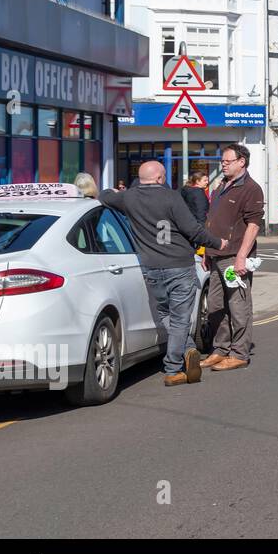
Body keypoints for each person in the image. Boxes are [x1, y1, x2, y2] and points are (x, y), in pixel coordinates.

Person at [100, 160, 226, 387]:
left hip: (151, 267)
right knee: (180, 319)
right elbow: (192, 229)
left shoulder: (128, 198)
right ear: (160, 178)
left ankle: (187, 349)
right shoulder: (171, 197)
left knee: (165, 313)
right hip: (179, 264)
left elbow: (104, 197)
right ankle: (173, 368)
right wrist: (219, 242)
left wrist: (108, 190)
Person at [201, 143, 265, 372]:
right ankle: (220, 349)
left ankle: (239, 353)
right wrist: (207, 252)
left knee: (238, 306)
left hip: (234, 258)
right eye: (223, 161)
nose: (223, 164)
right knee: (215, 307)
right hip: (216, 255)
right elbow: (213, 221)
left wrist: (241, 257)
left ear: (242, 162)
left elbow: (254, 225)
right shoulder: (221, 186)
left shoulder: (251, 189)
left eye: (228, 161)